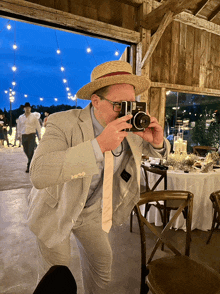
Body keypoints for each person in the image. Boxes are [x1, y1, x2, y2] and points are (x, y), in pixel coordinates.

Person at [27, 60, 170, 294]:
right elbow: (39, 173)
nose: (128, 112)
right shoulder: (62, 122)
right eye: (119, 105)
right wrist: (98, 146)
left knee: (103, 265)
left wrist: (158, 143)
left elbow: (157, 152)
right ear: (96, 102)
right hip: (56, 209)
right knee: (56, 276)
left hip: (92, 213)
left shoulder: (130, 129)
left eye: (132, 105)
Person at [17, 102, 41, 173]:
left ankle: (29, 166)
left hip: (31, 135)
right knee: (26, 150)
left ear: (30, 109)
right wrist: (19, 135)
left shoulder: (34, 117)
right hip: (24, 135)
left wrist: (39, 136)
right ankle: (32, 162)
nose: (27, 109)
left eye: (29, 108)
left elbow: (38, 126)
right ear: (24, 109)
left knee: (31, 150)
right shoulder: (21, 117)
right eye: (26, 108)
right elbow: (19, 126)